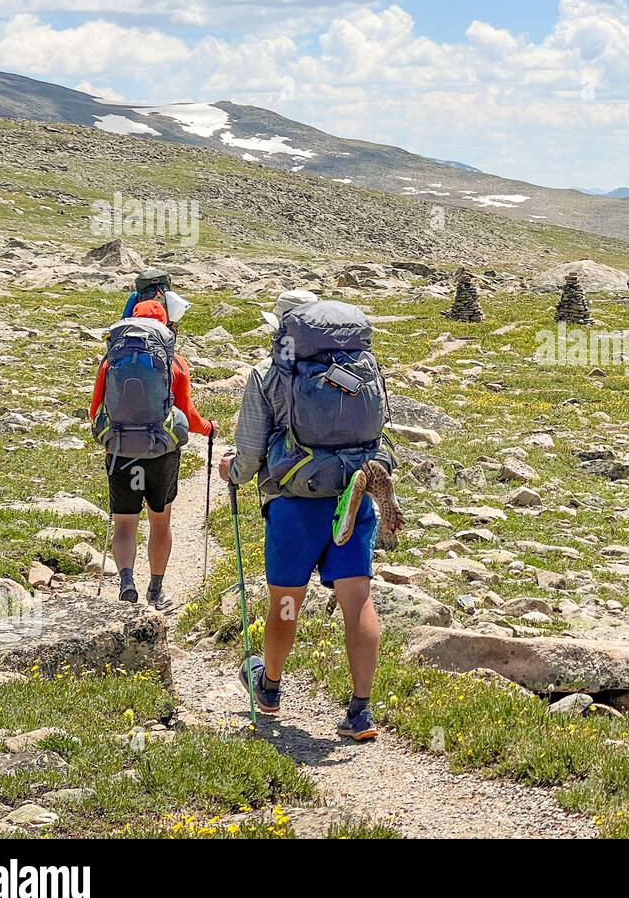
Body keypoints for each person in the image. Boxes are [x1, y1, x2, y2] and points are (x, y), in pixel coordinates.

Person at [218, 292, 404, 740]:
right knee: (356, 599)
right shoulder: (360, 367)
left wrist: (232, 471)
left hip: (294, 504)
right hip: (352, 498)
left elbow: (249, 453)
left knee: (286, 601)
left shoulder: (268, 375)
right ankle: (360, 711)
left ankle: (270, 687)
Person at [90, 300, 217, 609]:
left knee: (124, 524)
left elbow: (95, 410)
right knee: (160, 523)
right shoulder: (175, 363)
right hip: (161, 452)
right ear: (167, 327)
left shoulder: (110, 361)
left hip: (121, 450)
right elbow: (186, 411)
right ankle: (156, 590)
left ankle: (126, 582)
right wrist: (208, 429)